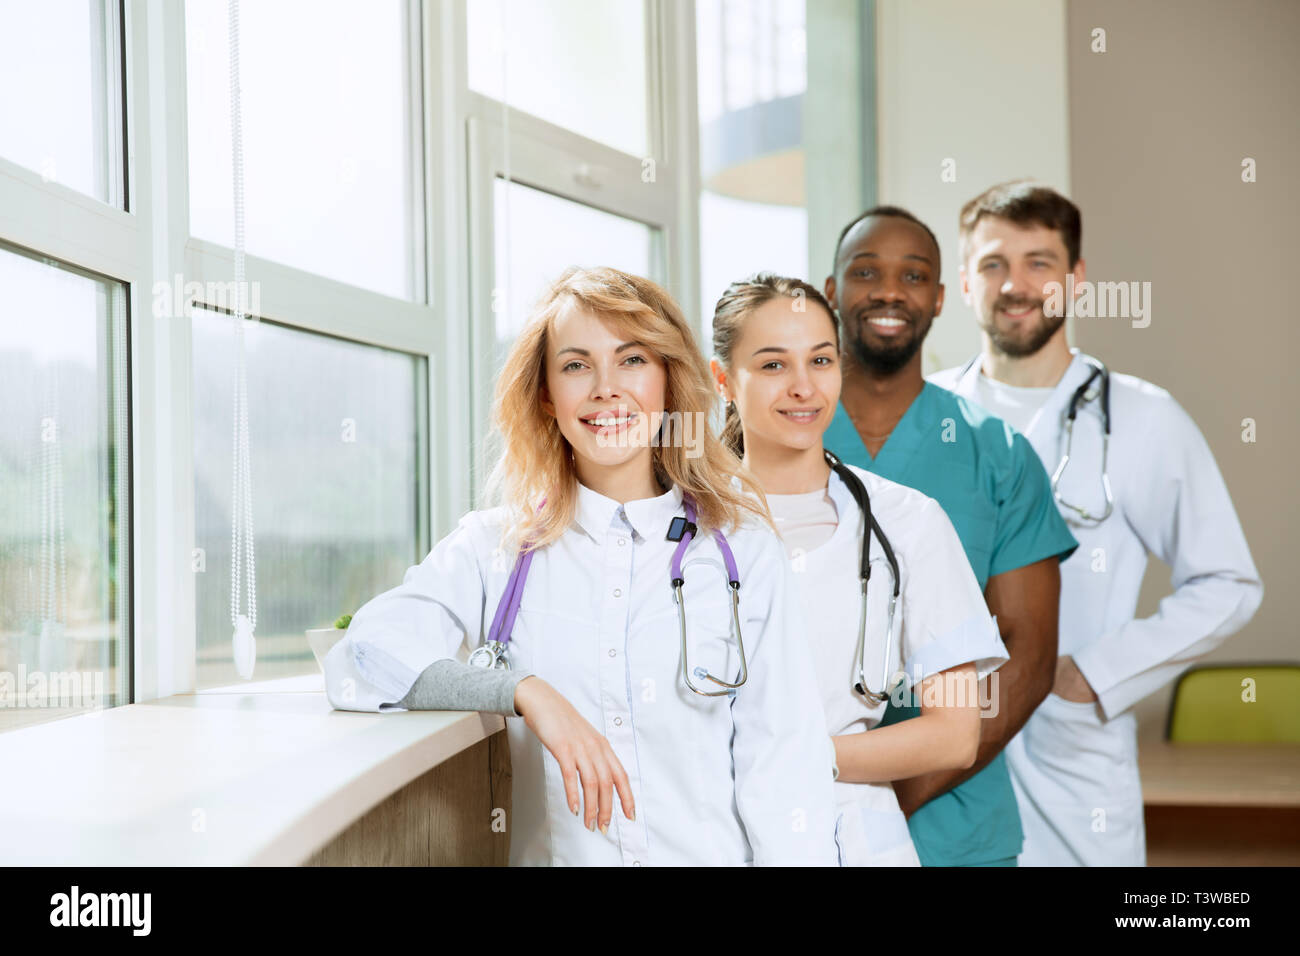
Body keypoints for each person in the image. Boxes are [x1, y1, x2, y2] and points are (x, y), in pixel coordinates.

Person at [324, 266, 839, 867]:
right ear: (546, 395)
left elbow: (785, 774)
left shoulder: (741, 550)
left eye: (632, 360)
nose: (605, 389)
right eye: (575, 365)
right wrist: (523, 691)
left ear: (669, 380)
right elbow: (363, 656)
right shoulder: (497, 547)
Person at [932, 180, 1263, 866]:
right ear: (965, 281)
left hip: (1069, 754)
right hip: (940, 744)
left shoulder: (1144, 419)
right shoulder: (927, 418)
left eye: (1039, 262)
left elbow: (1229, 582)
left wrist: (1093, 674)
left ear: (1077, 280)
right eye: (993, 263)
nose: (1015, 284)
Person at [709, 272, 1009, 866]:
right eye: (772, 366)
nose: (802, 387)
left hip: (852, 836)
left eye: (820, 360)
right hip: (707, 834)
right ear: (724, 380)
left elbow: (955, 732)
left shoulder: (909, 522)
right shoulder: (676, 528)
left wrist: (795, 754)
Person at [821, 206, 1078, 867]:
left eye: (913, 275)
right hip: (793, 817)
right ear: (831, 292)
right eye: (866, 271)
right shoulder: (771, 441)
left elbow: (1028, 655)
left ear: (938, 299)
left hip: (953, 827)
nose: (888, 290)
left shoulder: (997, 453)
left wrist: (891, 802)